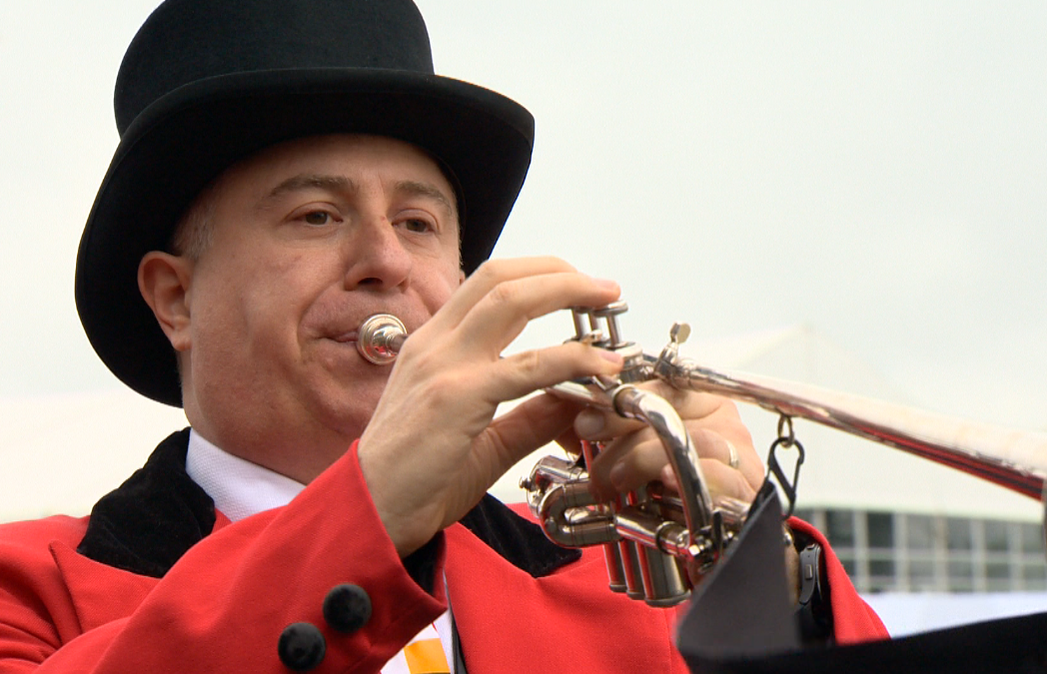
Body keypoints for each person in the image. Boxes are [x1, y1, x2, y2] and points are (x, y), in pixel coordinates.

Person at [0, 0, 887, 672]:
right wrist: (368, 514)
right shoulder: (28, 589)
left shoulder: (617, 582)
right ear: (175, 298)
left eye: (421, 225)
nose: (385, 261)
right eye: (316, 216)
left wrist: (763, 586)